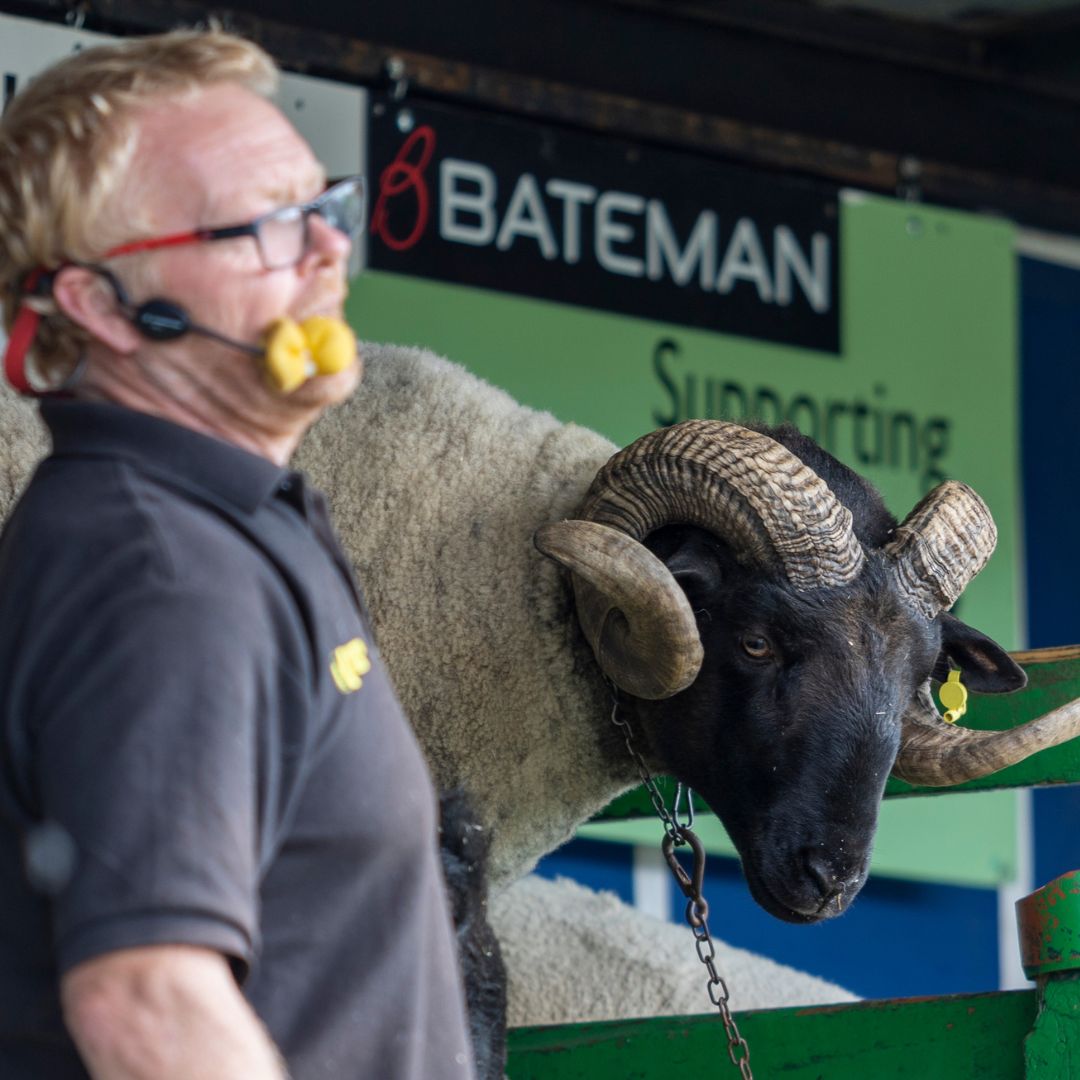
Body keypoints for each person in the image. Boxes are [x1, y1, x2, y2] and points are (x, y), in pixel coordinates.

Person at [0, 29, 476, 1080]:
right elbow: (147, 1002)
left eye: (325, 208)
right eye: (265, 226)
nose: (327, 253)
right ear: (99, 304)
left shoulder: (224, 524)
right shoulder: (157, 568)